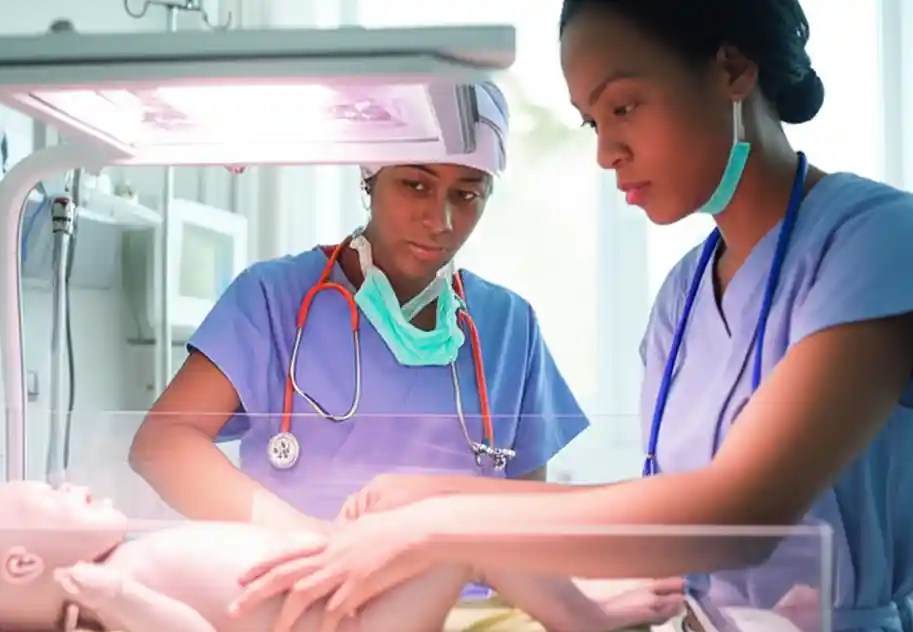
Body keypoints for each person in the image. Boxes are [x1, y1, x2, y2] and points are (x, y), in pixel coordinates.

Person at [225, 1, 913, 632]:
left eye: (623, 107)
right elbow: (670, 503)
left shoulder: (878, 240)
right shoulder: (685, 294)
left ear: (732, 69)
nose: (604, 151)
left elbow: (742, 514)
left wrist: (443, 527)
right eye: (590, 120)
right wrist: (436, 495)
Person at [128, 81, 590, 534]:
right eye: (414, 184)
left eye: (466, 194)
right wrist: (310, 540)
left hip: (459, 600)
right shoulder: (273, 297)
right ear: (369, 179)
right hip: (299, 582)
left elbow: (529, 518)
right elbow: (163, 444)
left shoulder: (510, 327)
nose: (440, 220)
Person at [0, 481, 686, 632]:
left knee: (437, 513)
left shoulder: (132, 556)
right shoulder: (117, 593)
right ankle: (582, 615)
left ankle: (574, 598)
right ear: (26, 562)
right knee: (466, 530)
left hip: (344, 597)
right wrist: (121, 597)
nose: (71, 487)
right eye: (51, 497)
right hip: (353, 629)